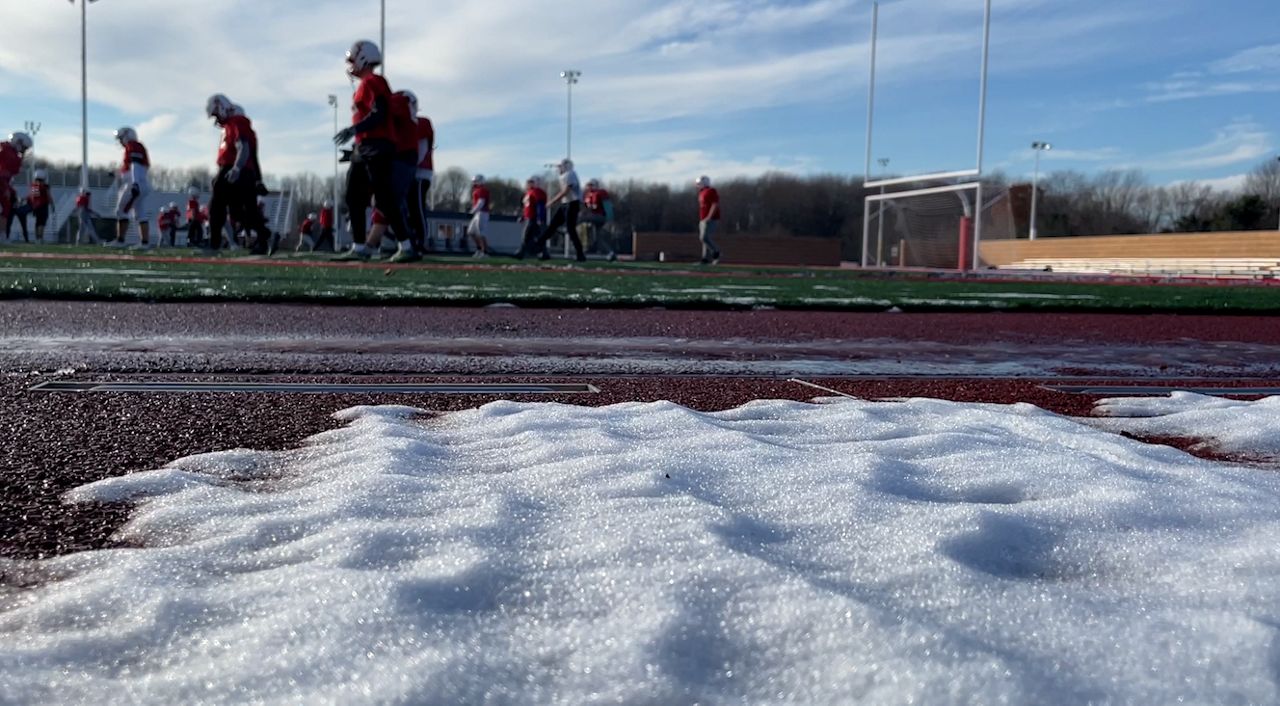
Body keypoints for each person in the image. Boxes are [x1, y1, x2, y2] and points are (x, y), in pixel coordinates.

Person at [333, 40, 417, 264]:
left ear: (363, 57)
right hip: (366, 146)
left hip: (377, 145)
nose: (350, 65)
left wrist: (354, 129)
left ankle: (406, 246)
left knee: (384, 198)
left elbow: (379, 113)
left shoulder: (374, 81)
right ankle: (359, 246)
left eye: (353, 59)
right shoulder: (366, 84)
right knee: (353, 195)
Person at [204, 94, 274, 255]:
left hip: (233, 169)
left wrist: (236, 168)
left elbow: (243, 147)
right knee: (240, 212)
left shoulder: (236, 122)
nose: (216, 119)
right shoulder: (235, 125)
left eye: (216, 114)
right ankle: (264, 236)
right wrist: (257, 179)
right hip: (242, 171)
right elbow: (252, 155)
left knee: (216, 206)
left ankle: (214, 244)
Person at [105, 126, 153, 249]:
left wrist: (135, 184)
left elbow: (135, 166)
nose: (120, 141)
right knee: (140, 212)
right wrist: (116, 173)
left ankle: (120, 241)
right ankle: (145, 243)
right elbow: (132, 169)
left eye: (121, 138)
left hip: (134, 184)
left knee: (121, 211)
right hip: (141, 183)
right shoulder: (138, 146)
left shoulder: (133, 145)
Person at [538, 158, 585, 261]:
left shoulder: (570, 174)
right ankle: (539, 245)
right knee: (553, 225)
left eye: (561, 166)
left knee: (570, 228)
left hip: (572, 203)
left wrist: (552, 201)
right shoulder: (564, 175)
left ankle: (580, 253)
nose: (559, 168)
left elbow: (566, 191)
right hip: (565, 203)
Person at [406, 91, 434, 252]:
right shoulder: (405, 123)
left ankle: (421, 241)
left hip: (419, 172)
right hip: (410, 171)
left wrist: (411, 166)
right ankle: (413, 239)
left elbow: (422, 149)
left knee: (417, 207)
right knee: (410, 207)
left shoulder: (421, 123)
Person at [0, 132, 32, 243]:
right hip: (2, 182)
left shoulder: (12, 152)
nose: (24, 150)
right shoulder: (4, 148)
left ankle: (3, 235)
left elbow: (15, 170)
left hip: (5, 185)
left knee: (6, 209)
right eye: (23, 147)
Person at [582, 177, 618, 261]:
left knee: (581, 218)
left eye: (590, 185)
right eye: (588, 185)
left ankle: (568, 228)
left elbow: (597, 206)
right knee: (598, 238)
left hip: (599, 216)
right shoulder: (588, 194)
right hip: (594, 216)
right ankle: (610, 253)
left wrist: (587, 209)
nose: (589, 187)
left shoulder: (598, 193)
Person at [517, 175, 547, 259]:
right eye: (529, 182)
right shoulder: (528, 192)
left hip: (533, 218)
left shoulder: (537, 191)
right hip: (528, 217)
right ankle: (544, 253)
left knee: (526, 235)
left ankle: (521, 252)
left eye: (531, 182)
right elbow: (526, 207)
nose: (529, 184)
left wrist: (539, 218)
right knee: (536, 236)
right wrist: (523, 217)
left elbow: (539, 205)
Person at [695, 174, 722, 264]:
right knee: (704, 240)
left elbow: (714, 204)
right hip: (702, 218)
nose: (697, 185)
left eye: (699, 183)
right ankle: (705, 259)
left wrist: (709, 216)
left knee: (704, 237)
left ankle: (716, 251)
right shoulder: (701, 192)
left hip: (711, 218)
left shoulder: (711, 191)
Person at [467, 174, 490, 257]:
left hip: (482, 213)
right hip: (477, 213)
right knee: (471, 232)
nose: (474, 183)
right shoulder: (477, 190)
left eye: (475, 181)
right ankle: (479, 249)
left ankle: (485, 252)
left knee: (481, 233)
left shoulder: (482, 190)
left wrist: (472, 211)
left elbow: (481, 203)